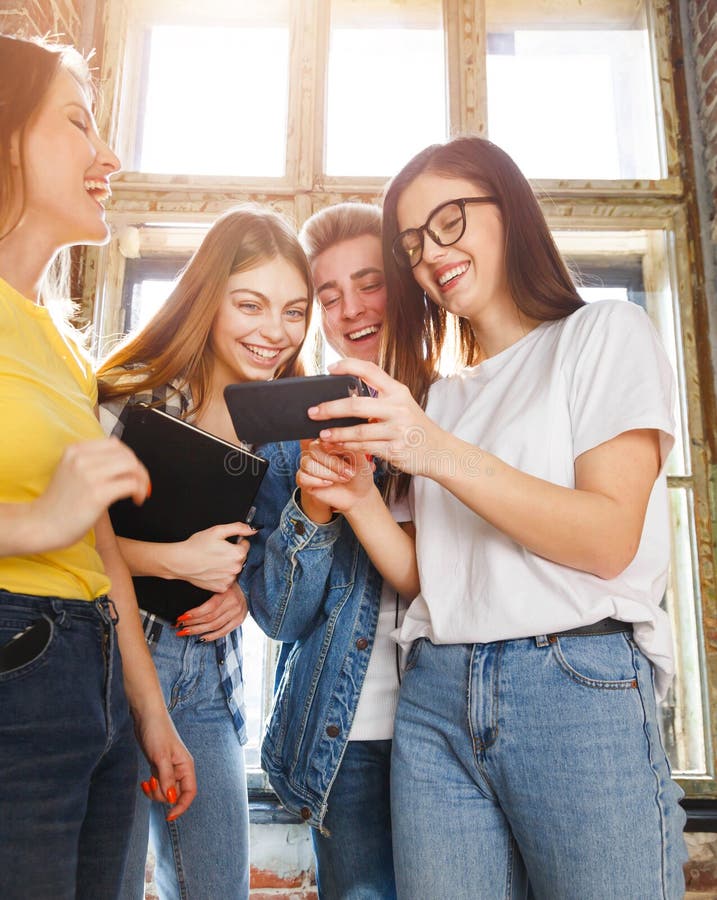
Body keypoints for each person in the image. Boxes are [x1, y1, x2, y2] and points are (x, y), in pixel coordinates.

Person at [296, 136, 688, 899]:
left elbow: (607, 539)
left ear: (507, 208)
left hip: (572, 686)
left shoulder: (602, 336)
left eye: (449, 221)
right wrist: (360, 498)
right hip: (434, 695)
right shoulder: (442, 398)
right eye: (412, 245)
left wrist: (433, 450)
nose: (430, 255)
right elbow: (428, 577)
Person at [0, 33, 196, 900]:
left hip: (97, 685)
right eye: (78, 124)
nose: (108, 155)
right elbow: (56, 525)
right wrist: (36, 521)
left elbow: (103, 551)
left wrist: (150, 714)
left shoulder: (62, 343)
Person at [97, 204, 314, 900]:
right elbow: (58, 549)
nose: (273, 332)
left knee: (218, 888)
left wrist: (241, 591)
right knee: (109, 882)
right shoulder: (130, 400)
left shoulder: (283, 429)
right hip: (108, 660)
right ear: (206, 299)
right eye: (250, 305)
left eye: (293, 311)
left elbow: (267, 569)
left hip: (207, 671)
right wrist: (173, 561)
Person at [246, 202, 411, 899]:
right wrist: (313, 508)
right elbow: (279, 617)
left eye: (369, 282)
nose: (352, 308)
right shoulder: (291, 432)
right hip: (353, 733)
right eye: (328, 294)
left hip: (465, 727)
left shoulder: (465, 406)